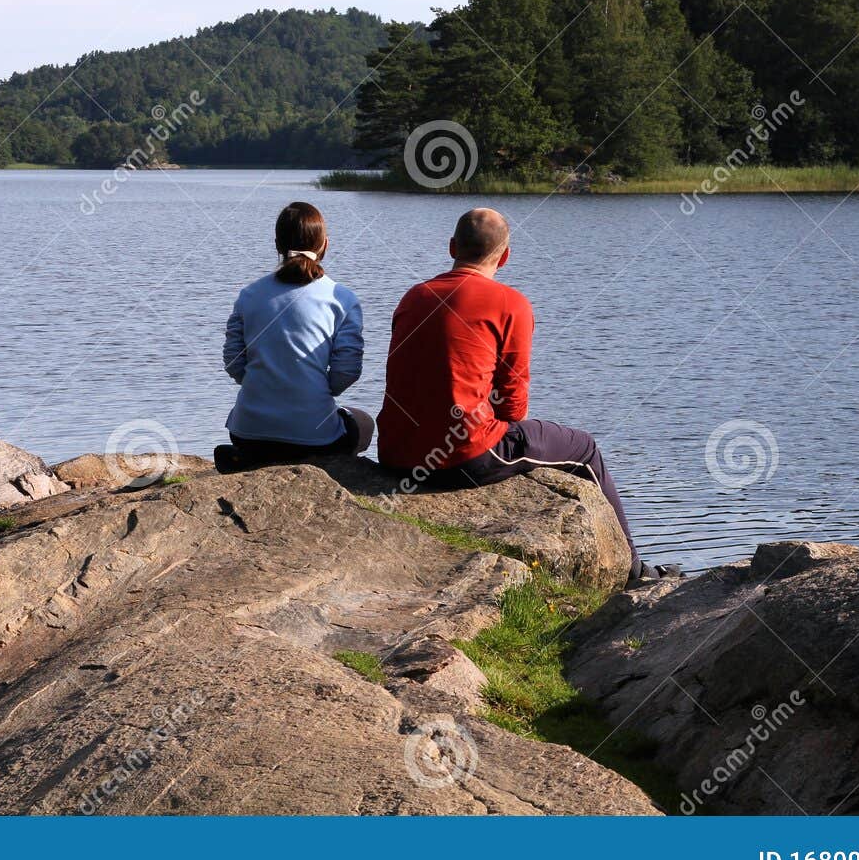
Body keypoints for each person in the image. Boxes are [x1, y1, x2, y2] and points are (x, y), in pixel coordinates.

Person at [376, 207, 672, 581]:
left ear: (452, 247)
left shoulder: (414, 296)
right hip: (463, 460)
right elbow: (514, 407)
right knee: (585, 448)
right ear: (505, 256)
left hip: (395, 456)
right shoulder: (510, 303)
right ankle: (634, 570)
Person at [217, 201, 373, 470]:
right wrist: (315, 389)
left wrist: (261, 383)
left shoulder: (249, 295)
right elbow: (347, 371)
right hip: (315, 437)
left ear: (277, 245)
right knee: (365, 422)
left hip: (247, 433)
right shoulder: (342, 299)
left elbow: (233, 361)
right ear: (325, 245)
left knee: (258, 439)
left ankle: (253, 459)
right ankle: (323, 466)